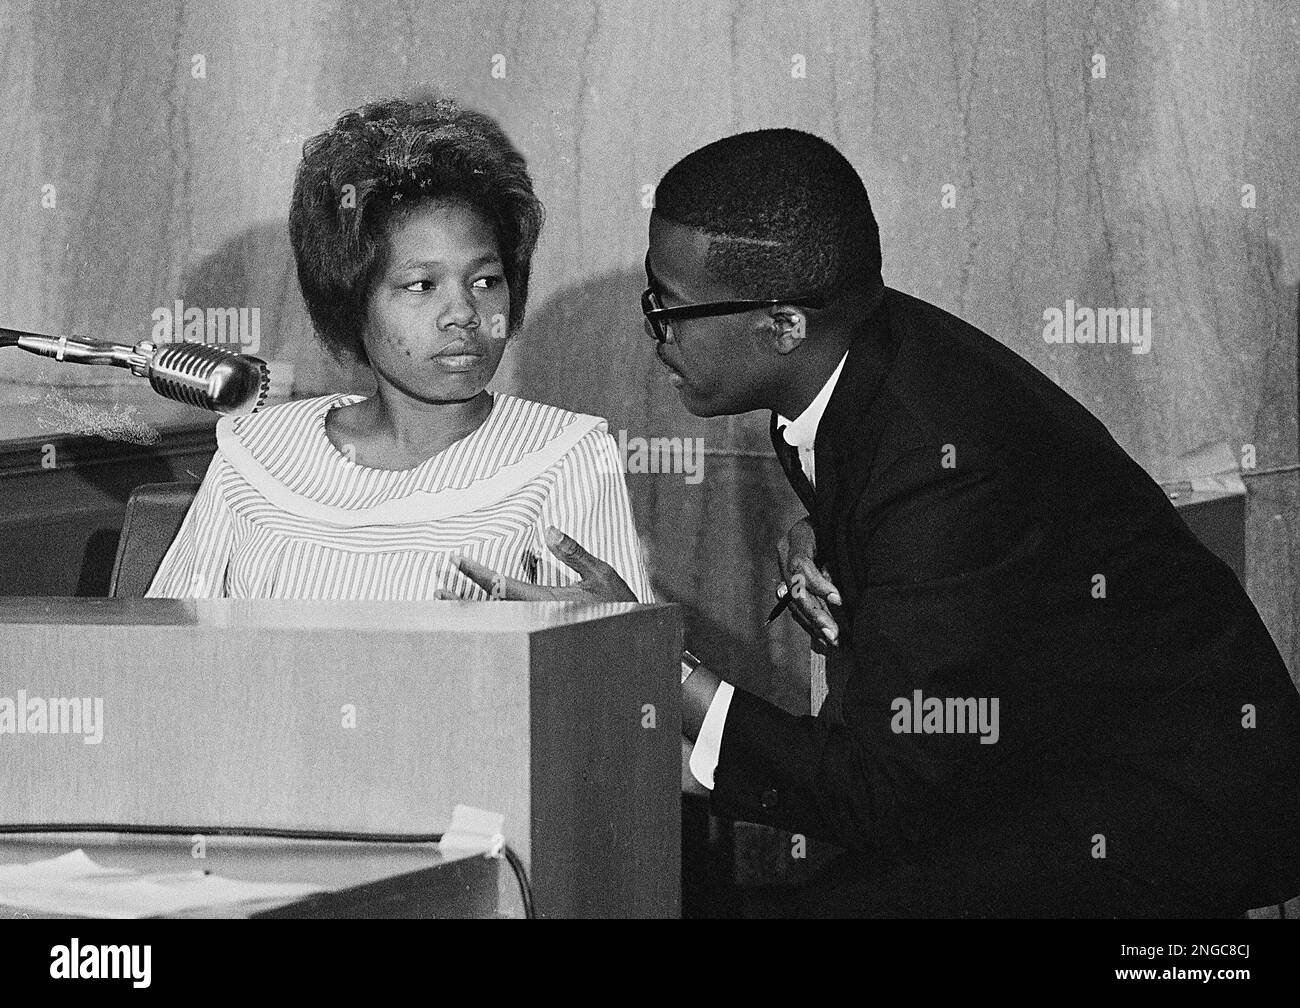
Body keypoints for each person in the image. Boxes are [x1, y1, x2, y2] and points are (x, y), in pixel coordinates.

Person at [457, 128, 1300, 917]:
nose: (656, 338)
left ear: (783, 325)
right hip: (1025, 764)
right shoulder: (856, 360)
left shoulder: (946, 465)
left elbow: (881, 792)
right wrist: (820, 525)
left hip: (1164, 806)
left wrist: (647, 656)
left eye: (669, 310)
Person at [147, 96, 652, 603]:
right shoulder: (256, 454)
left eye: (485, 280)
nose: (463, 313)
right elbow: (165, 651)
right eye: (420, 285)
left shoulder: (563, 454)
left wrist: (602, 633)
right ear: (351, 302)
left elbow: (622, 663)